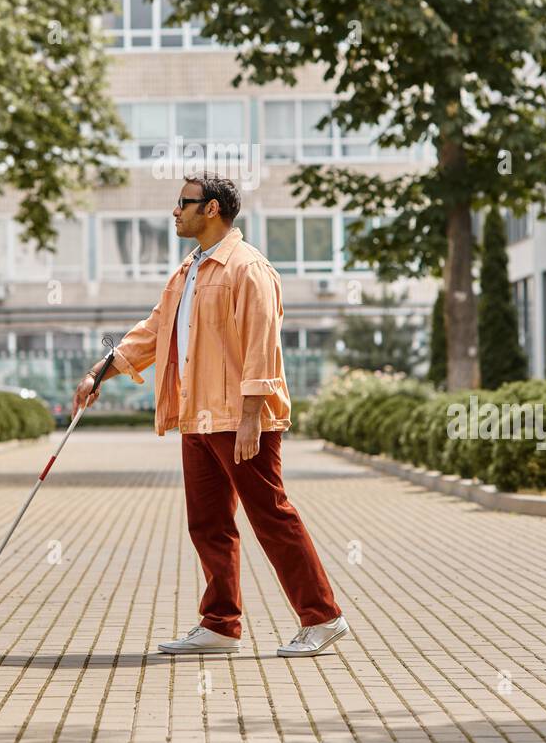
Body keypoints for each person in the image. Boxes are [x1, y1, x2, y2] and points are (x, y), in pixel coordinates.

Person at [72, 175, 348, 658]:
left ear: (212, 209)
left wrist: (250, 417)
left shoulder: (248, 268)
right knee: (207, 523)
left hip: (240, 420)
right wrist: (102, 370)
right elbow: (154, 332)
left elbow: (262, 345)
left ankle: (322, 617)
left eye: (184, 203)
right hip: (195, 417)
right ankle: (221, 624)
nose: (175, 212)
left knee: (271, 517)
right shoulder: (187, 272)